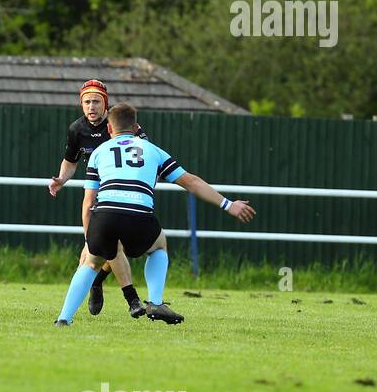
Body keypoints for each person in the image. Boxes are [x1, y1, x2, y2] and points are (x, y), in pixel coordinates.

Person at [54, 103, 255, 326]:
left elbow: (89, 201)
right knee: (159, 246)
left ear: (109, 129)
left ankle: (64, 318)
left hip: (105, 216)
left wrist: (88, 238)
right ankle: (156, 302)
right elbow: (191, 182)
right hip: (138, 216)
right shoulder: (152, 150)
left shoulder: (99, 153)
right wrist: (228, 204)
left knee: (91, 263)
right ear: (136, 126)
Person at [48, 79, 148, 318]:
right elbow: (70, 162)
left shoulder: (120, 125)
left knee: (105, 250)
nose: (91, 106)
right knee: (107, 247)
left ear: (105, 104)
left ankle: (95, 284)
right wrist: (61, 179)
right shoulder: (76, 129)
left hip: (124, 192)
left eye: (96, 101)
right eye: (86, 102)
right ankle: (129, 299)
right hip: (96, 195)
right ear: (81, 104)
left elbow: (145, 154)